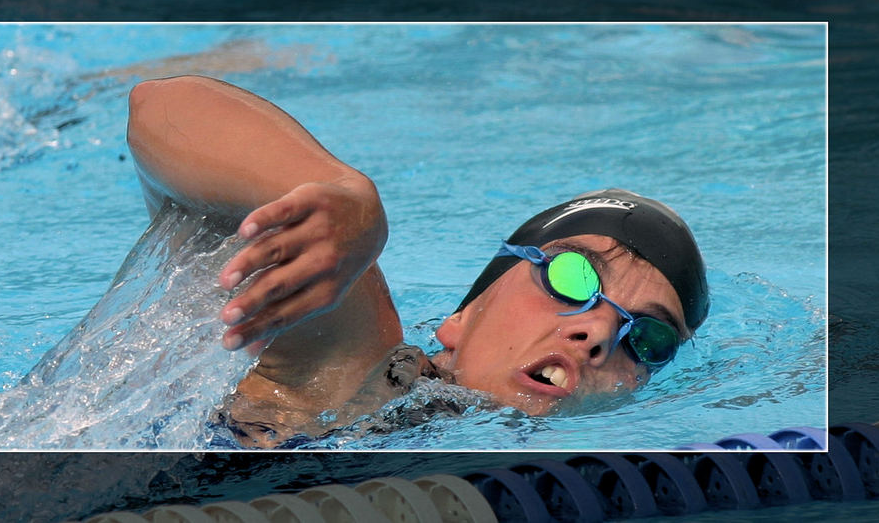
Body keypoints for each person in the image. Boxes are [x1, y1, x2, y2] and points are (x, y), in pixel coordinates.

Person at [126, 75, 709, 448]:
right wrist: (340, 190)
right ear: (463, 315)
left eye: (650, 338)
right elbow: (159, 107)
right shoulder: (356, 368)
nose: (598, 331)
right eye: (571, 277)